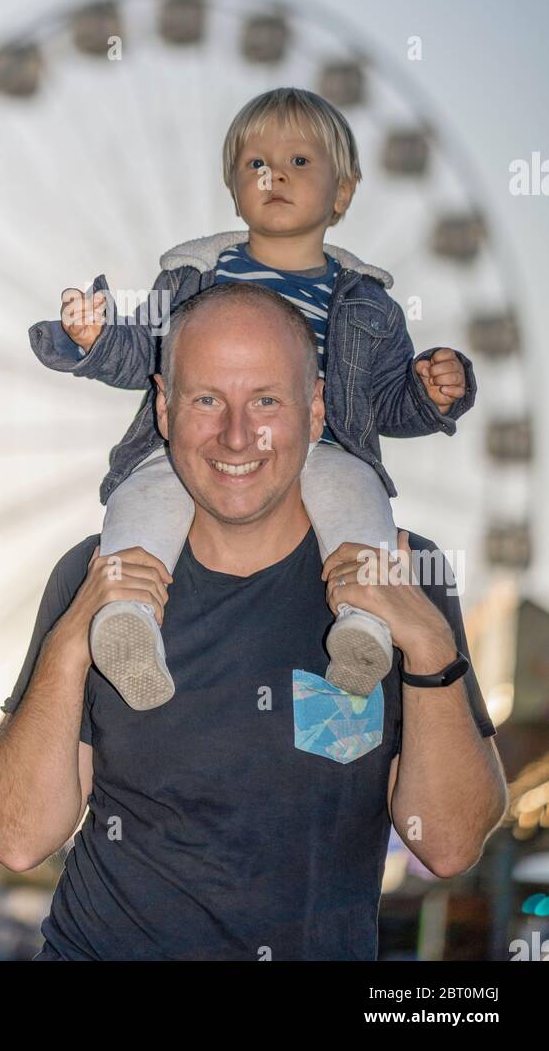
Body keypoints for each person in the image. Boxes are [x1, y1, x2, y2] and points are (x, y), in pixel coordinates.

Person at [0, 284, 507, 961]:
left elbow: (451, 843)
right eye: (205, 400)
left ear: (316, 409)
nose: (235, 435)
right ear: (163, 408)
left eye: (266, 401)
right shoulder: (97, 571)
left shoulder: (402, 571)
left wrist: (428, 643)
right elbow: (18, 838)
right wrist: (71, 640)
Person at [36, 86, 476, 703]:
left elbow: (383, 399)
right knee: (141, 497)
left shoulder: (369, 303)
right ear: (233, 186)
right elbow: (144, 354)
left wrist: (431, 393)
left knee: (362, 500)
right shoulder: (190, 278)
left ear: (343, 191)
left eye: (299, 161)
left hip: (327, 444)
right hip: (194, 441)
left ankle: (366, 625)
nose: (275, 175)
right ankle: (126, 621)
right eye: (256, 164)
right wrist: (97, 336)